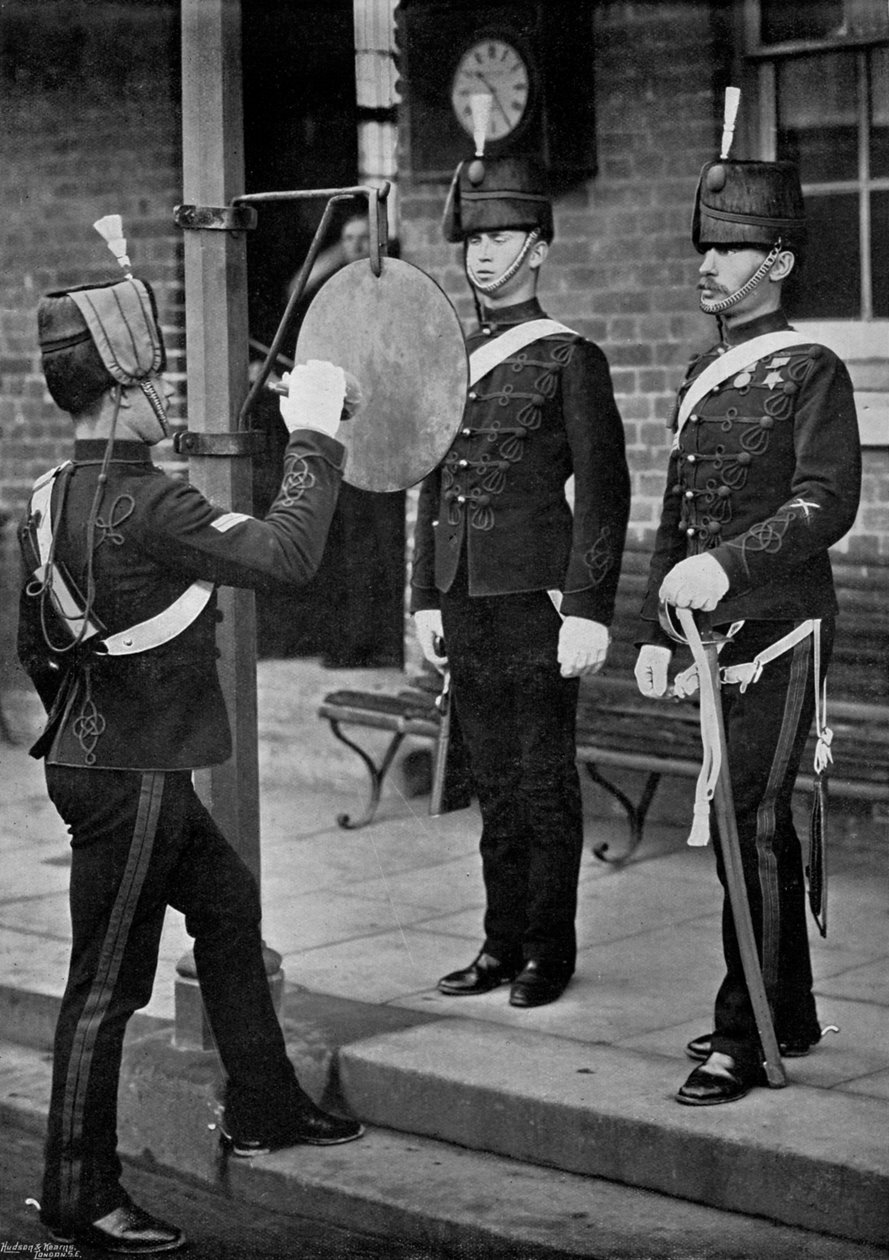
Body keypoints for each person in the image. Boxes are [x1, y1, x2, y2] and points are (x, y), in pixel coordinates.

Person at [17, 266, 364, 1254]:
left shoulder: (45, 499)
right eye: (157, 384)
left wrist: (104, 720)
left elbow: (37, 651)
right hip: (132, 776)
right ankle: (79, 1192)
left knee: (228, 906)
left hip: (111, 761)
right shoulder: (156, 504)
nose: (170, 397)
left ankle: (264, 1106)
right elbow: (289, 555)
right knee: (105, 991)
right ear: (122, 395)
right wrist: (316, 433)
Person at [634, 153, 862, 1105]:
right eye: (704, 247)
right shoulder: (701, 372)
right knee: (751, 828)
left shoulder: (812, 369)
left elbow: (825, 502)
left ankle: (748, 1032)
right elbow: (675, 516)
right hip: (708, 636)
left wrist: (726, 567)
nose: (707, 266)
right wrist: (655, 621)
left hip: (779, 630)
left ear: (775, 260)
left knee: (750, 827)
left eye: (727, 250)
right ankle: (790, 1010)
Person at [411, 155, 630, 1009]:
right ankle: (499, 945)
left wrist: (588, 609)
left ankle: (549, 951)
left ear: (537, 248)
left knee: (541, 782)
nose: (483, 256)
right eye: (473, 239)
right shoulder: (453, 354)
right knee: (492, 782)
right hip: (466, 600)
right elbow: (431, 480)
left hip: (536, 602)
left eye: (501, 238)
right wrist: (425, 595)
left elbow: (605, 492)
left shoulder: (571, 357)